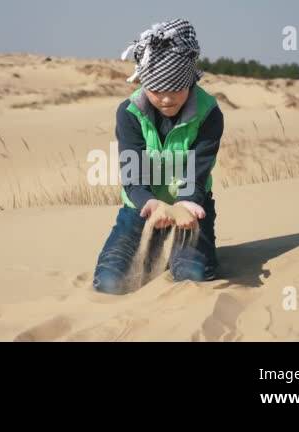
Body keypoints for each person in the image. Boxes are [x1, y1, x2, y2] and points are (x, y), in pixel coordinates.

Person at [93, 18, 224, 295]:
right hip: (140, 208)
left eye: (175, 88)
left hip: (189, 209)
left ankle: (184, 251)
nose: (166, 99)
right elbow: (133, 178)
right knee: (109, 283)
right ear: (143, 84)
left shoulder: (209, 113)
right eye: (156, 90)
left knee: (192, 278)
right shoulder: (129, 114)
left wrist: (185, 205)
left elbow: (197, 172)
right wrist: (152, 205)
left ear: (190, 79)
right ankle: (156, 242)